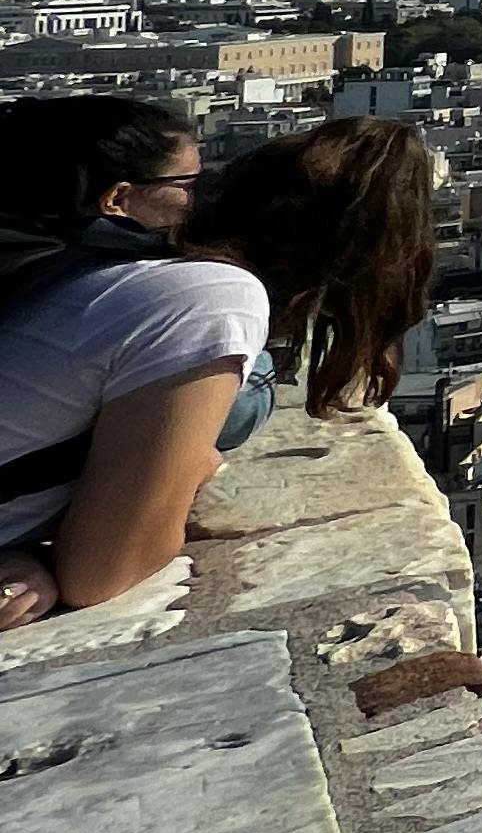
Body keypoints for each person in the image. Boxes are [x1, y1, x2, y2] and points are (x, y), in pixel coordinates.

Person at [0, 101, 436, 631]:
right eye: (189, 181)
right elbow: (102, 571)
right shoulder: (209, 298)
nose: (198, 195)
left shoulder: (99, 277)